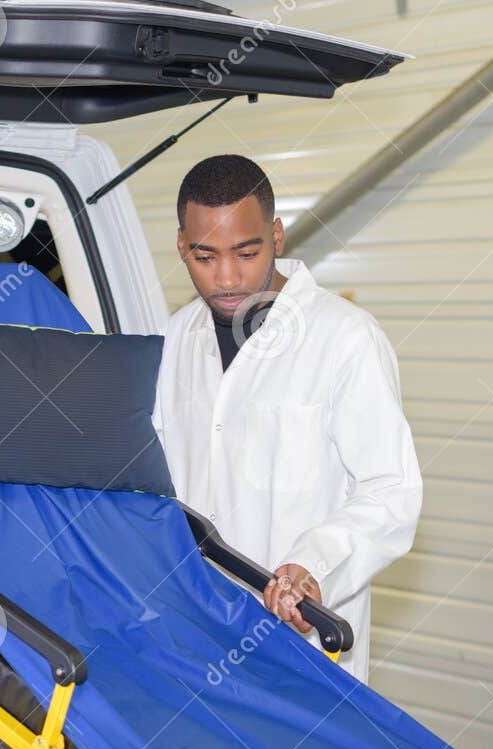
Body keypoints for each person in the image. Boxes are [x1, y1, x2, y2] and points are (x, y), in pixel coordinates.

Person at [154, 154, 421, 681]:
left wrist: (314, 567)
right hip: (195, 633)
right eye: (205, 256)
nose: (227, 278)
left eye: (246, 253)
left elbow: (391, 490)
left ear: (276, 235)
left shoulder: (345, 339)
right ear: (182, 244)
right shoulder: (174, 339)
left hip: (299, 638)